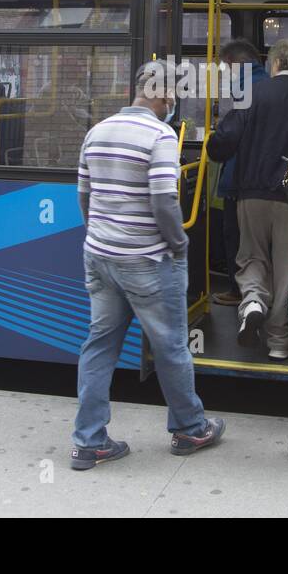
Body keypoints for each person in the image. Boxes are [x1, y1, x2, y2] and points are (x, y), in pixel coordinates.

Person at [71, 61, 225, 470]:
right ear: (163, 94)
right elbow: (163, 201)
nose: (174, 102)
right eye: (173, 94)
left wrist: (102, 235)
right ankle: (191, 428)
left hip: (100, 256)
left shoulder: (97, 132)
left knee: (99, 344)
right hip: (148, 261)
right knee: (171, 345)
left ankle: (88, 441)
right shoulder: (159, 136)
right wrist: (178, 243)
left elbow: (84, 196)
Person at [206, 38, 288, 361]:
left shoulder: (255, 94)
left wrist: (213, 146)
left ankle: (252, 301)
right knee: (286, 269)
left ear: (275, 64)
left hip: (250, 195)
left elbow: (225, 139)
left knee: (251, 257)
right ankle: (279, 341)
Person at [211, 39, 268, 307]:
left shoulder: (246, 89)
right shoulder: (267, 84)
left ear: (235, 65)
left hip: (239, 177)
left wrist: (215, 142)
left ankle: (238, 291)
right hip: (264, 179)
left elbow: (229, 137)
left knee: (234, 238)